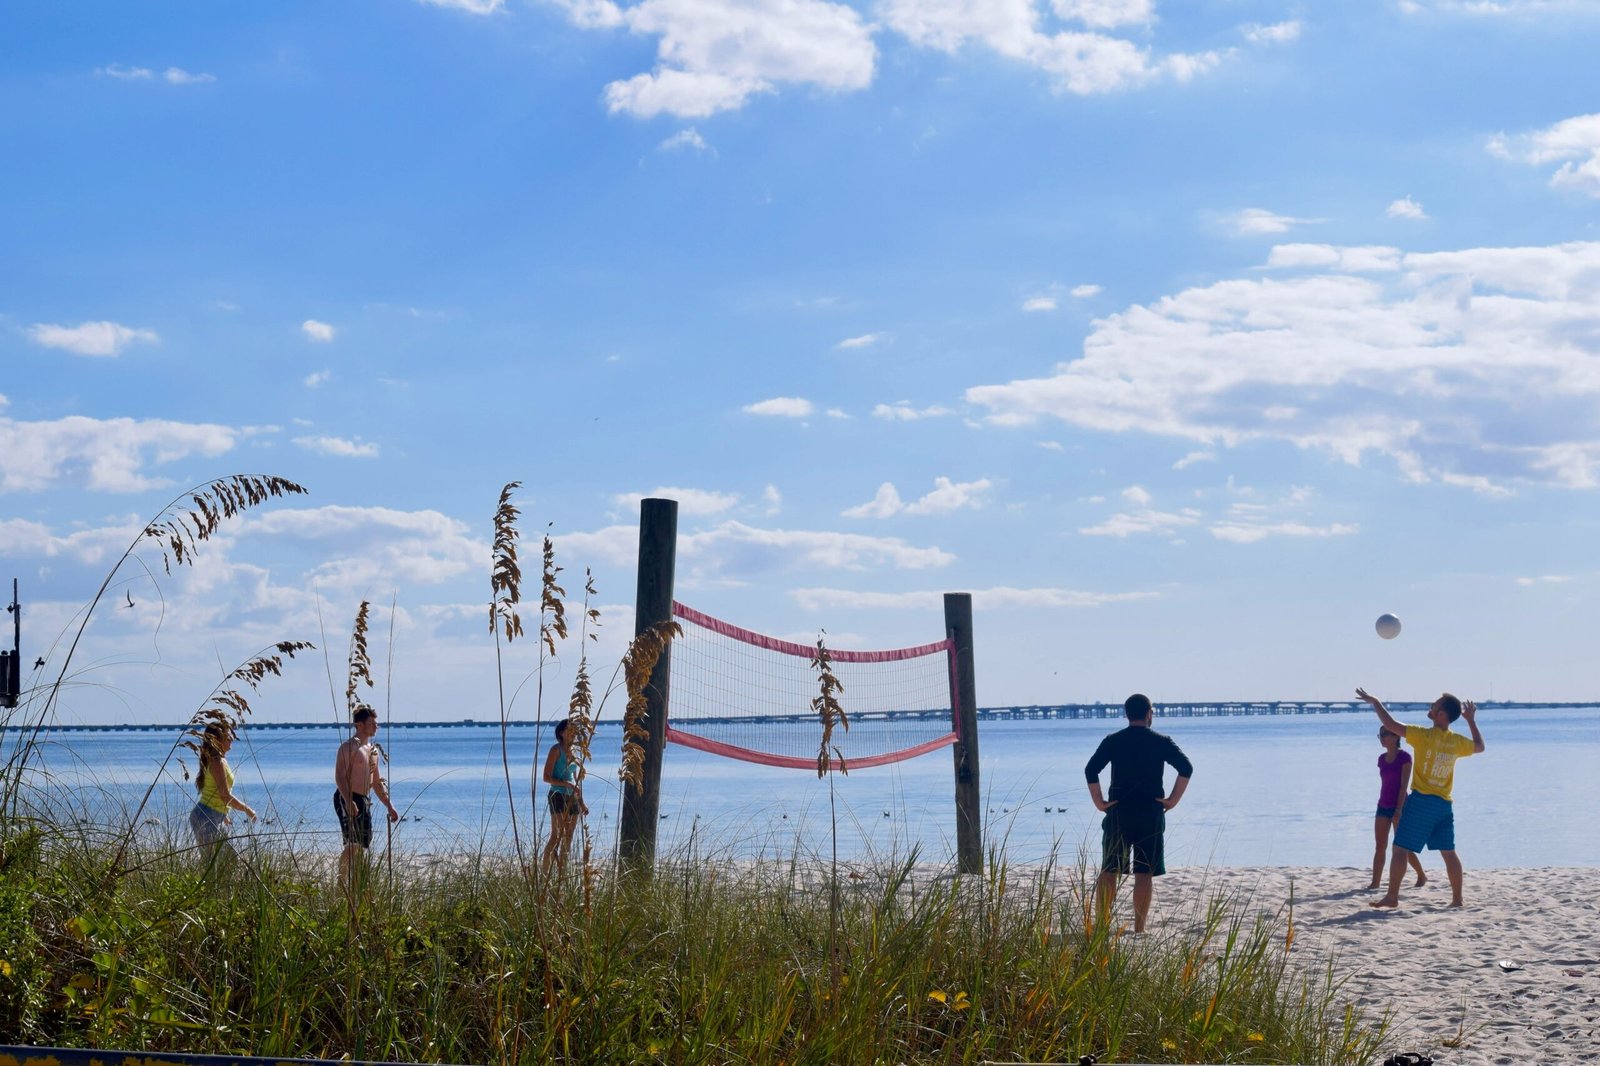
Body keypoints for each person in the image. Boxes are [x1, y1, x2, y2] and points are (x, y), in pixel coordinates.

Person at [1356, 687, 1484, 909]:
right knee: (1448, 851)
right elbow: (1480, 746)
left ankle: (1392, 897)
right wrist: (1470, 720)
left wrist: (1376, 702)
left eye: (1435, 706)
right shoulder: (1455, 741)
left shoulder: (1423, 736)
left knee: (1399, 848)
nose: (1431, 707)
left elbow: (1391, 725)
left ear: (1442, 714)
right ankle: (1457, 899)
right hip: (1444, 804)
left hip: (1421, 801)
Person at [1084, 693, 1193, 933]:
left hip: (1118, 811)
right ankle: (1139, 929)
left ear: (1126, 714)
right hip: (1149, 812)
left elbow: (1091, 770)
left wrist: (1100, 803)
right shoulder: (1162, 741)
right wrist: (1172, 801)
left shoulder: (1113, 740)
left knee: (1110, 869)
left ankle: (1103, 926)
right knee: (1144, 872)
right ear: (1148, 713)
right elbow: (1186, 768)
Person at [334, 707, 399, 891]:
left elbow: (376, 782)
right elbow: (339, 776)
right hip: (346, 796)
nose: (375, 726)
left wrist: (390, 806)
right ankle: (341, 885)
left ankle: (357, 886)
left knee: (362, 845)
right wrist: (348, 800)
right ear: (359, 724)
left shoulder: (373, 751)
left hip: (363, 799)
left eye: (376, 723)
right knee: (353, 843)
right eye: (371, 723)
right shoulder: (349, 747)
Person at [190, 722, 256, 863]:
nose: (231, 738)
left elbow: (214, 791)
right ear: (217, 740)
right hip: (205, 816)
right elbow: (225, 796)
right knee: (225, 862)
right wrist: (247, 809)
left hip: (213, 816)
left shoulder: (220, 760)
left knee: (223, 862)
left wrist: (224, 815)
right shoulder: (216, 762)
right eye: (227, 736)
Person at [1370, 726, 1426, 890]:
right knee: (1380, 846)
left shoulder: (1405, 758)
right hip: (1382, 806)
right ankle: (1375, 883)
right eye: (1379, 735)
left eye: (1384, 735)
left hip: (1400, 807)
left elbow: (1403, 786)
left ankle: (1421, 875)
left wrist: (1398, 810)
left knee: (1402, 847)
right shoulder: (1381, 759)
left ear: (1395, 736)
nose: (1381, 738)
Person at [540, 718, 587, 875]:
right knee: (557, 834)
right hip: (557, 794)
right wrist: (566, 784)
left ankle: (562, 873)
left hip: (572, 796)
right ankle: (545, 871)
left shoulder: (575, 751)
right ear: (561, 733)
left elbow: (576, 780)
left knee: (569, 835)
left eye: (575, 730)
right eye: (570, 730)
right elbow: (546, 777)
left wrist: (582, 803)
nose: (573, 733)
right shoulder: (556, 750)